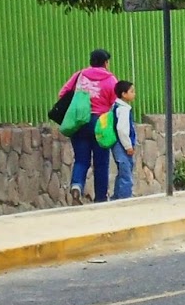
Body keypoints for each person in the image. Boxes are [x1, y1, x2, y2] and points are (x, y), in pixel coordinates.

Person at [58, 48, 117, 203]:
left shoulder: (80, 75)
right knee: (101, 163)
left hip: (79, 122)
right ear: (105, 63)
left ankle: (77, 184)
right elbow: (115, 102)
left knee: (81, 159)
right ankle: (101, 198)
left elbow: (62, 94)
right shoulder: (110, 80)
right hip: (100, 123)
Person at [111, 79, 137, 201]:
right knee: (126, 171)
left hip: (117, 143)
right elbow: (122, 129)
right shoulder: (124, 109)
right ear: (123, 94)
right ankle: (125, 197)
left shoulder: (115, 106)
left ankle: (117, 196)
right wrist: (128, 146)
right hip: (121, 144)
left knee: (123, 170)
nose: (134, 94)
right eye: (131, 91)